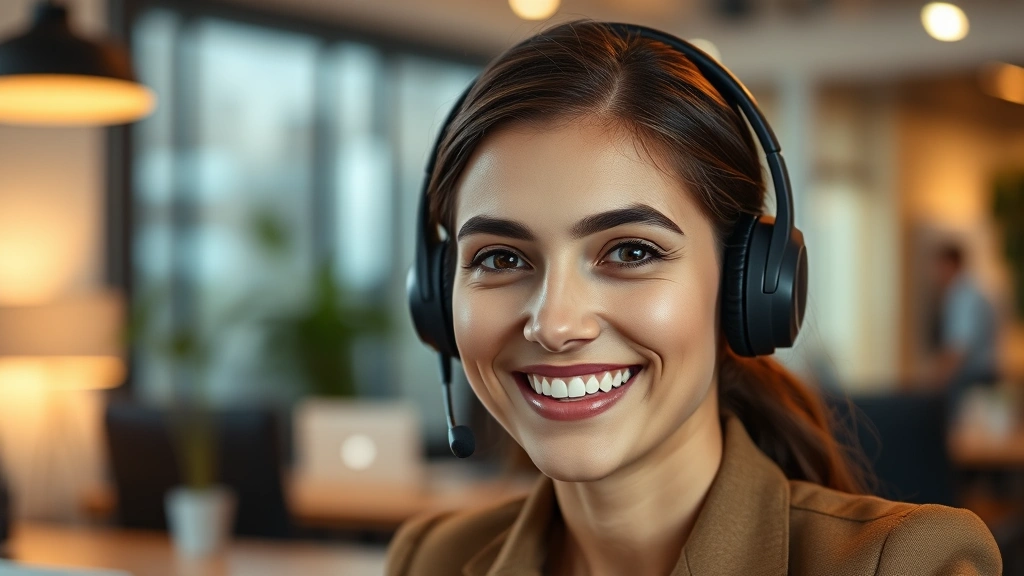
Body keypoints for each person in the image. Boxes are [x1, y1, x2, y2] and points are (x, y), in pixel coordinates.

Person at [389, 21, 1001, 575]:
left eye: (631, 252)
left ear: (748, 284)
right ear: (438, 298)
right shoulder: (432, 560)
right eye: (501, 258)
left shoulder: (900, 565)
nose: (554, 324)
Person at [931, 242, 1000, 407]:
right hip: (977, 376)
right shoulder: (966, 292)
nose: (935, 273)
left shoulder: (964, 296)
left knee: (962, 428)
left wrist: (937, 382)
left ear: (951, 264)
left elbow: (960, 347)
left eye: (939, 266)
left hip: (972, 379)